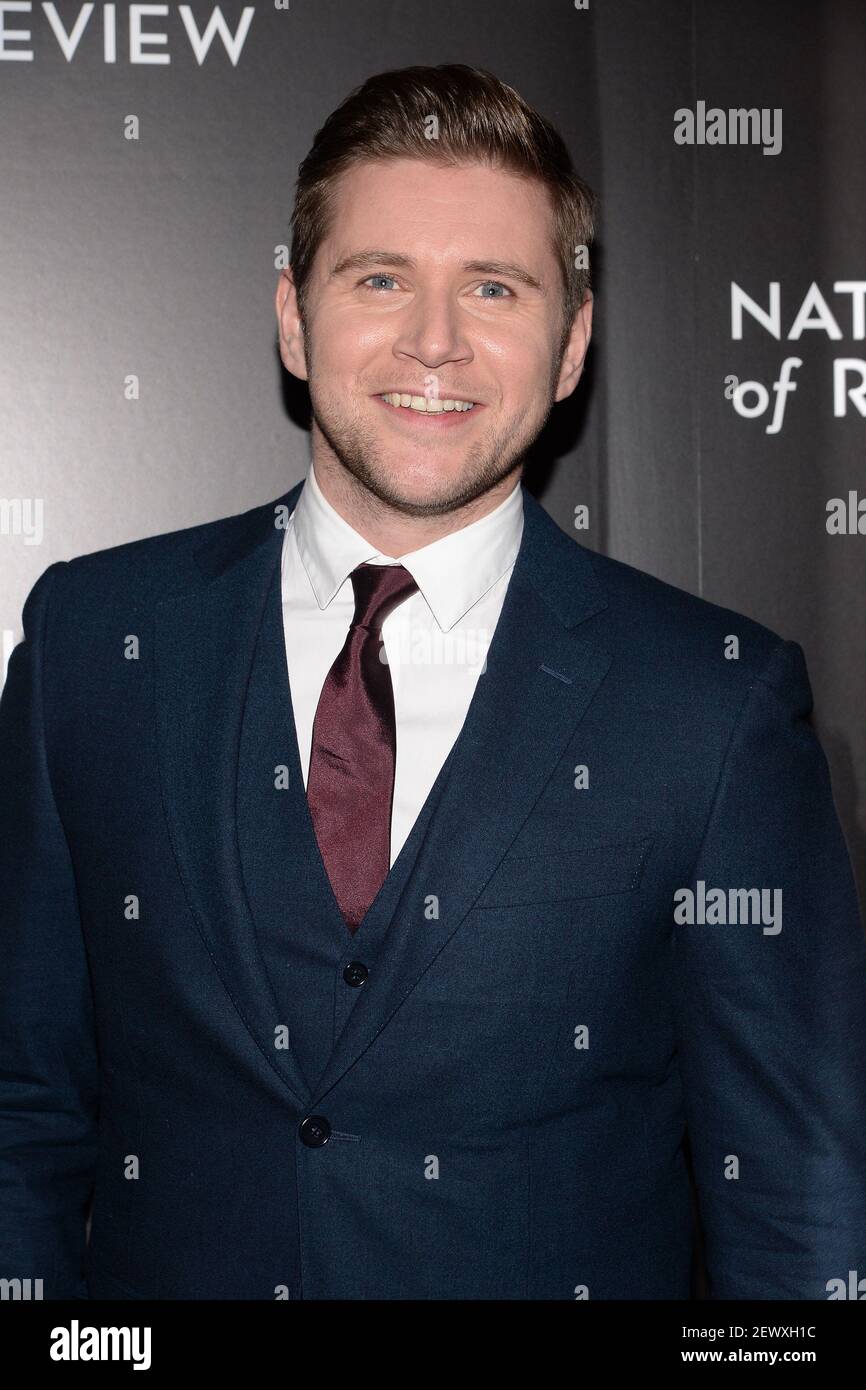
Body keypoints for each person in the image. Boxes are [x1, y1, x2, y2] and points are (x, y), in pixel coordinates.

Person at [1, 63, 864, 1302]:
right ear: (293, 315)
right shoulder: (94, 638)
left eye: (494, 288)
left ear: (569, 344)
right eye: (380, 278)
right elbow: (21, 1111)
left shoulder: (712, 703)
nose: (434, 342)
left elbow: (796, 1195)